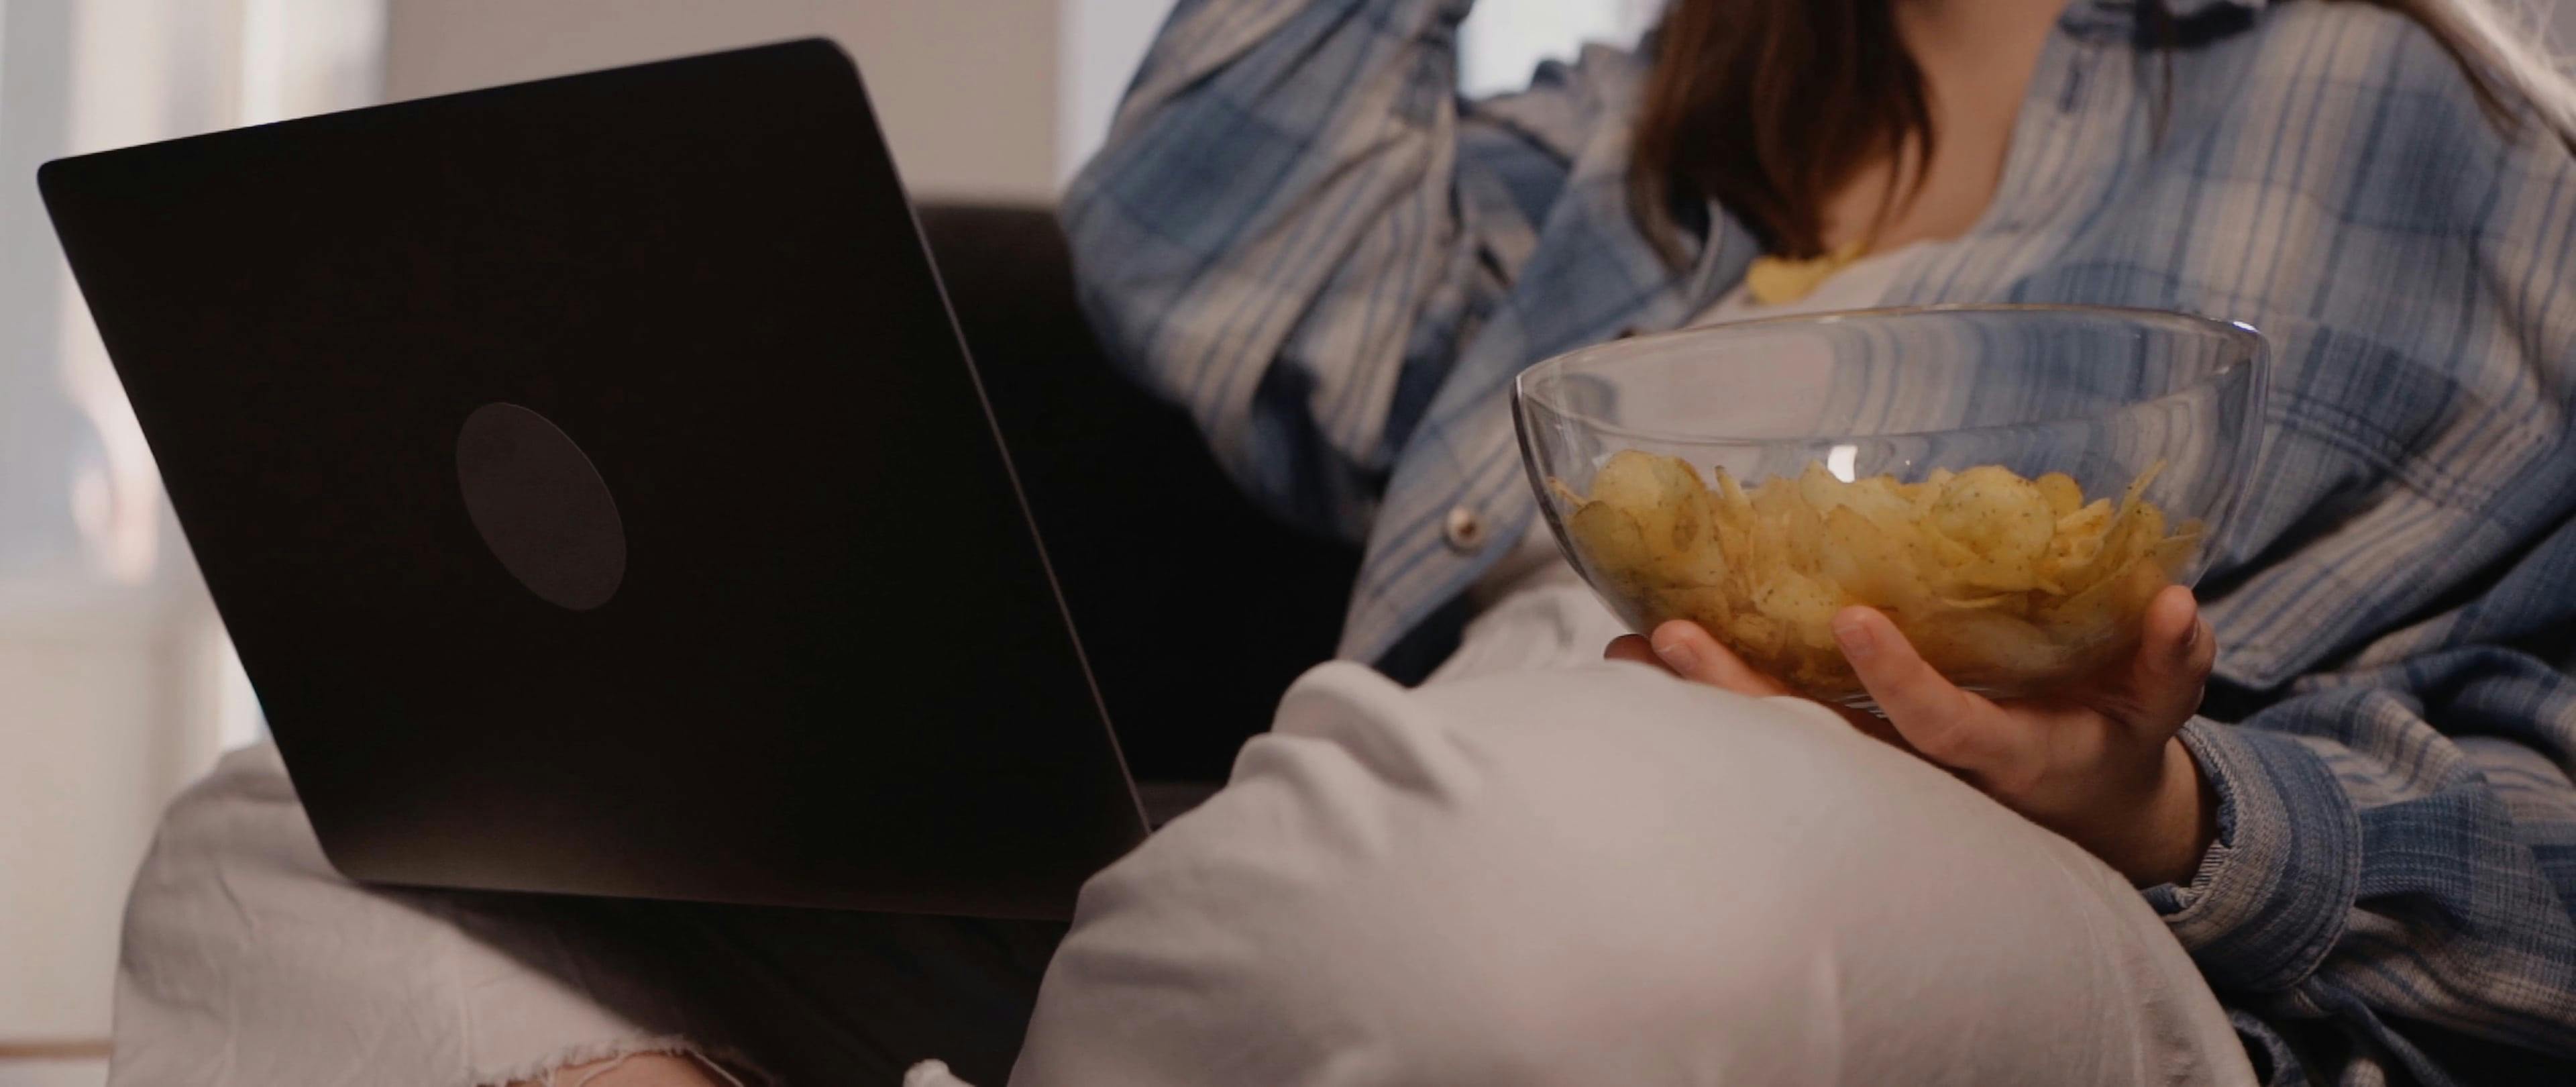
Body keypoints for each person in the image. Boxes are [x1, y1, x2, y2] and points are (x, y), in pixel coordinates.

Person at [110, 0, 2576, 1084]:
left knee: (1496, 858)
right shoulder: (1618, 148)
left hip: (2018, 910)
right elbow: (1195, 217)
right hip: (1354, 906)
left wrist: (2186, 816)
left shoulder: (2464, 113)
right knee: (322, 841)